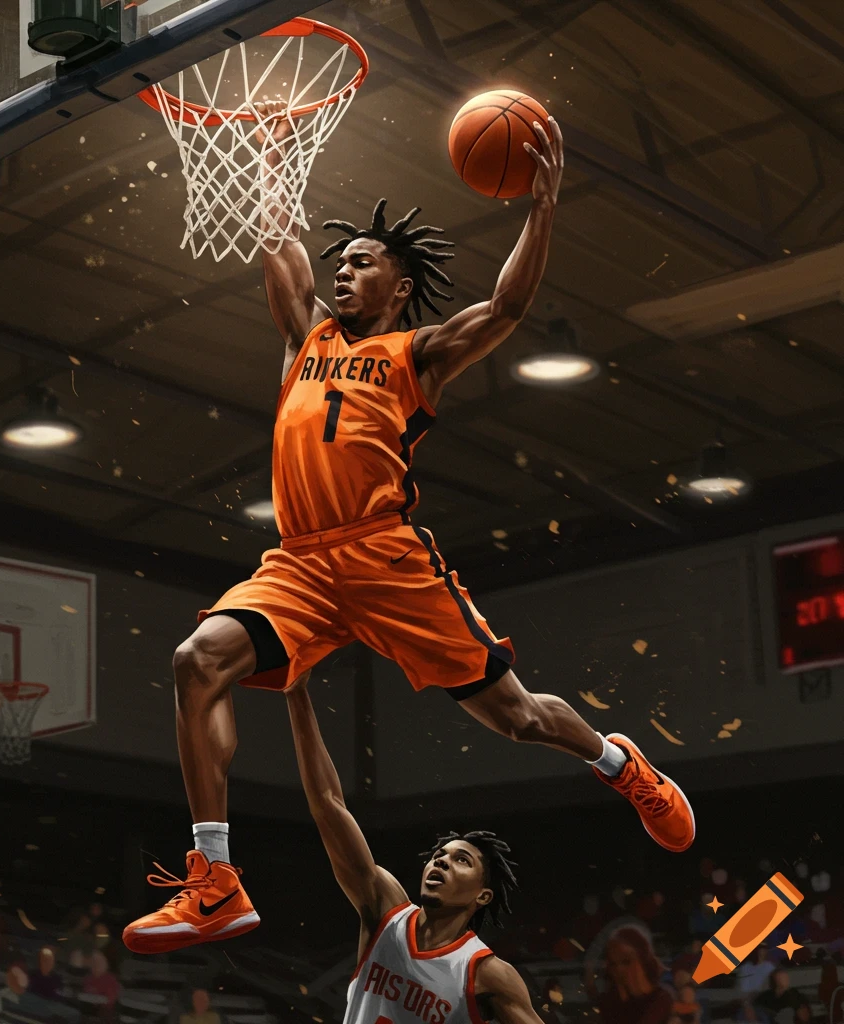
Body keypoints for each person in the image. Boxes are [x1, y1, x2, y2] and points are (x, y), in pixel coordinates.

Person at [123, 100, 695, 957]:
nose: (345, 272)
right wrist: (277, 156)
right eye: (342, 263)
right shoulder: (303, 338)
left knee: (518, 718)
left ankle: (623, 768)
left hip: (385, 557)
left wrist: (542, 207)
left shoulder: (416, 355)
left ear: (399, 285)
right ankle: (215, 880)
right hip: (301, 566)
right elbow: (279, 241)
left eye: (363, 264)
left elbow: (504, 307)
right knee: (195, 660)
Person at [278, 675, 547, 1024]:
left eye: (461, 860)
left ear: (483, 895)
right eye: (439, 856)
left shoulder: (488, 974)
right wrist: (296, 693)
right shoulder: (383, 909)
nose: (442, 862)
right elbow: (328, 805)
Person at [589, 926, 673, 1024]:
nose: (619, 969)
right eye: (613, 964)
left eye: (626, 962)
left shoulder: (661, 999)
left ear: (641, 960)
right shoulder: (610, 1002)